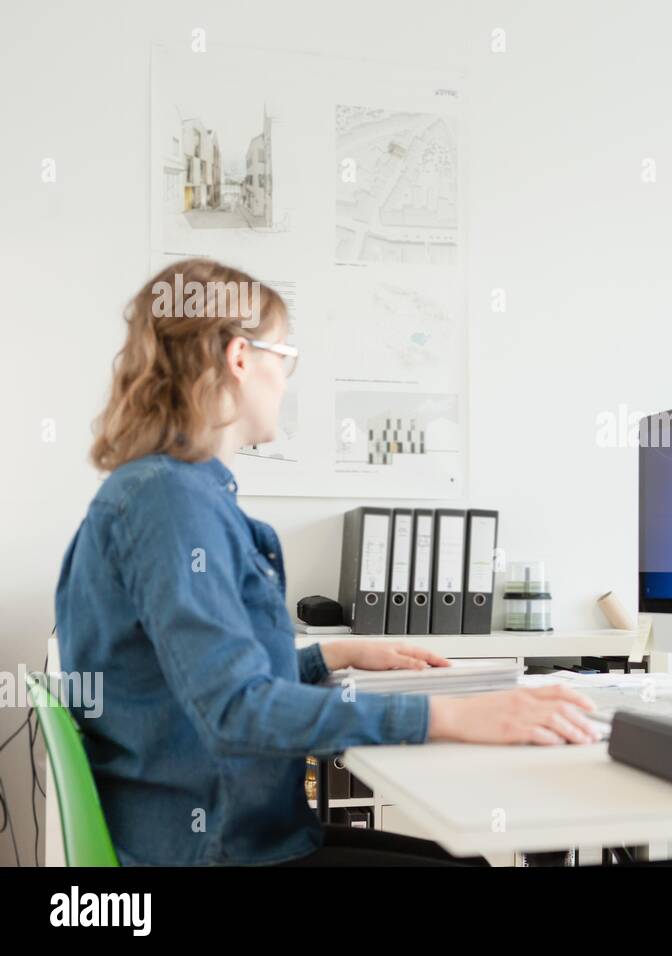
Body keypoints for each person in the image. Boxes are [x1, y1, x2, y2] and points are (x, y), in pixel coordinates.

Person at [54, 259, 600, 866]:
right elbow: (234, 710)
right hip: (219, 851)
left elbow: (192, 677)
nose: (286, 380)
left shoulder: (163, 491)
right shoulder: (170, 501)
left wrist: (329, 656)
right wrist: (453, 715)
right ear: (240, 357)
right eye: (284, 358)